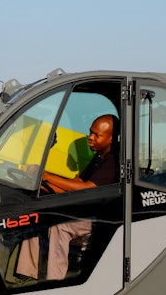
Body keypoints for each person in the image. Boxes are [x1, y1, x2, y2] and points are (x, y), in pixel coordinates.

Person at [16, 114, 119, 281]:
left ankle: (54, 282)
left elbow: (86, 189)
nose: (90, 138)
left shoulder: (113, 160)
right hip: (84, 210)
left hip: (98, 218)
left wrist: (46, 176)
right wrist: (42, 185)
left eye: (96, 135)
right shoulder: (99, 156)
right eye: (90, 132)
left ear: (111, 138)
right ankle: (26, 274)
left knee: (60, 226)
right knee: (36, 215)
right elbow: (76, 182)